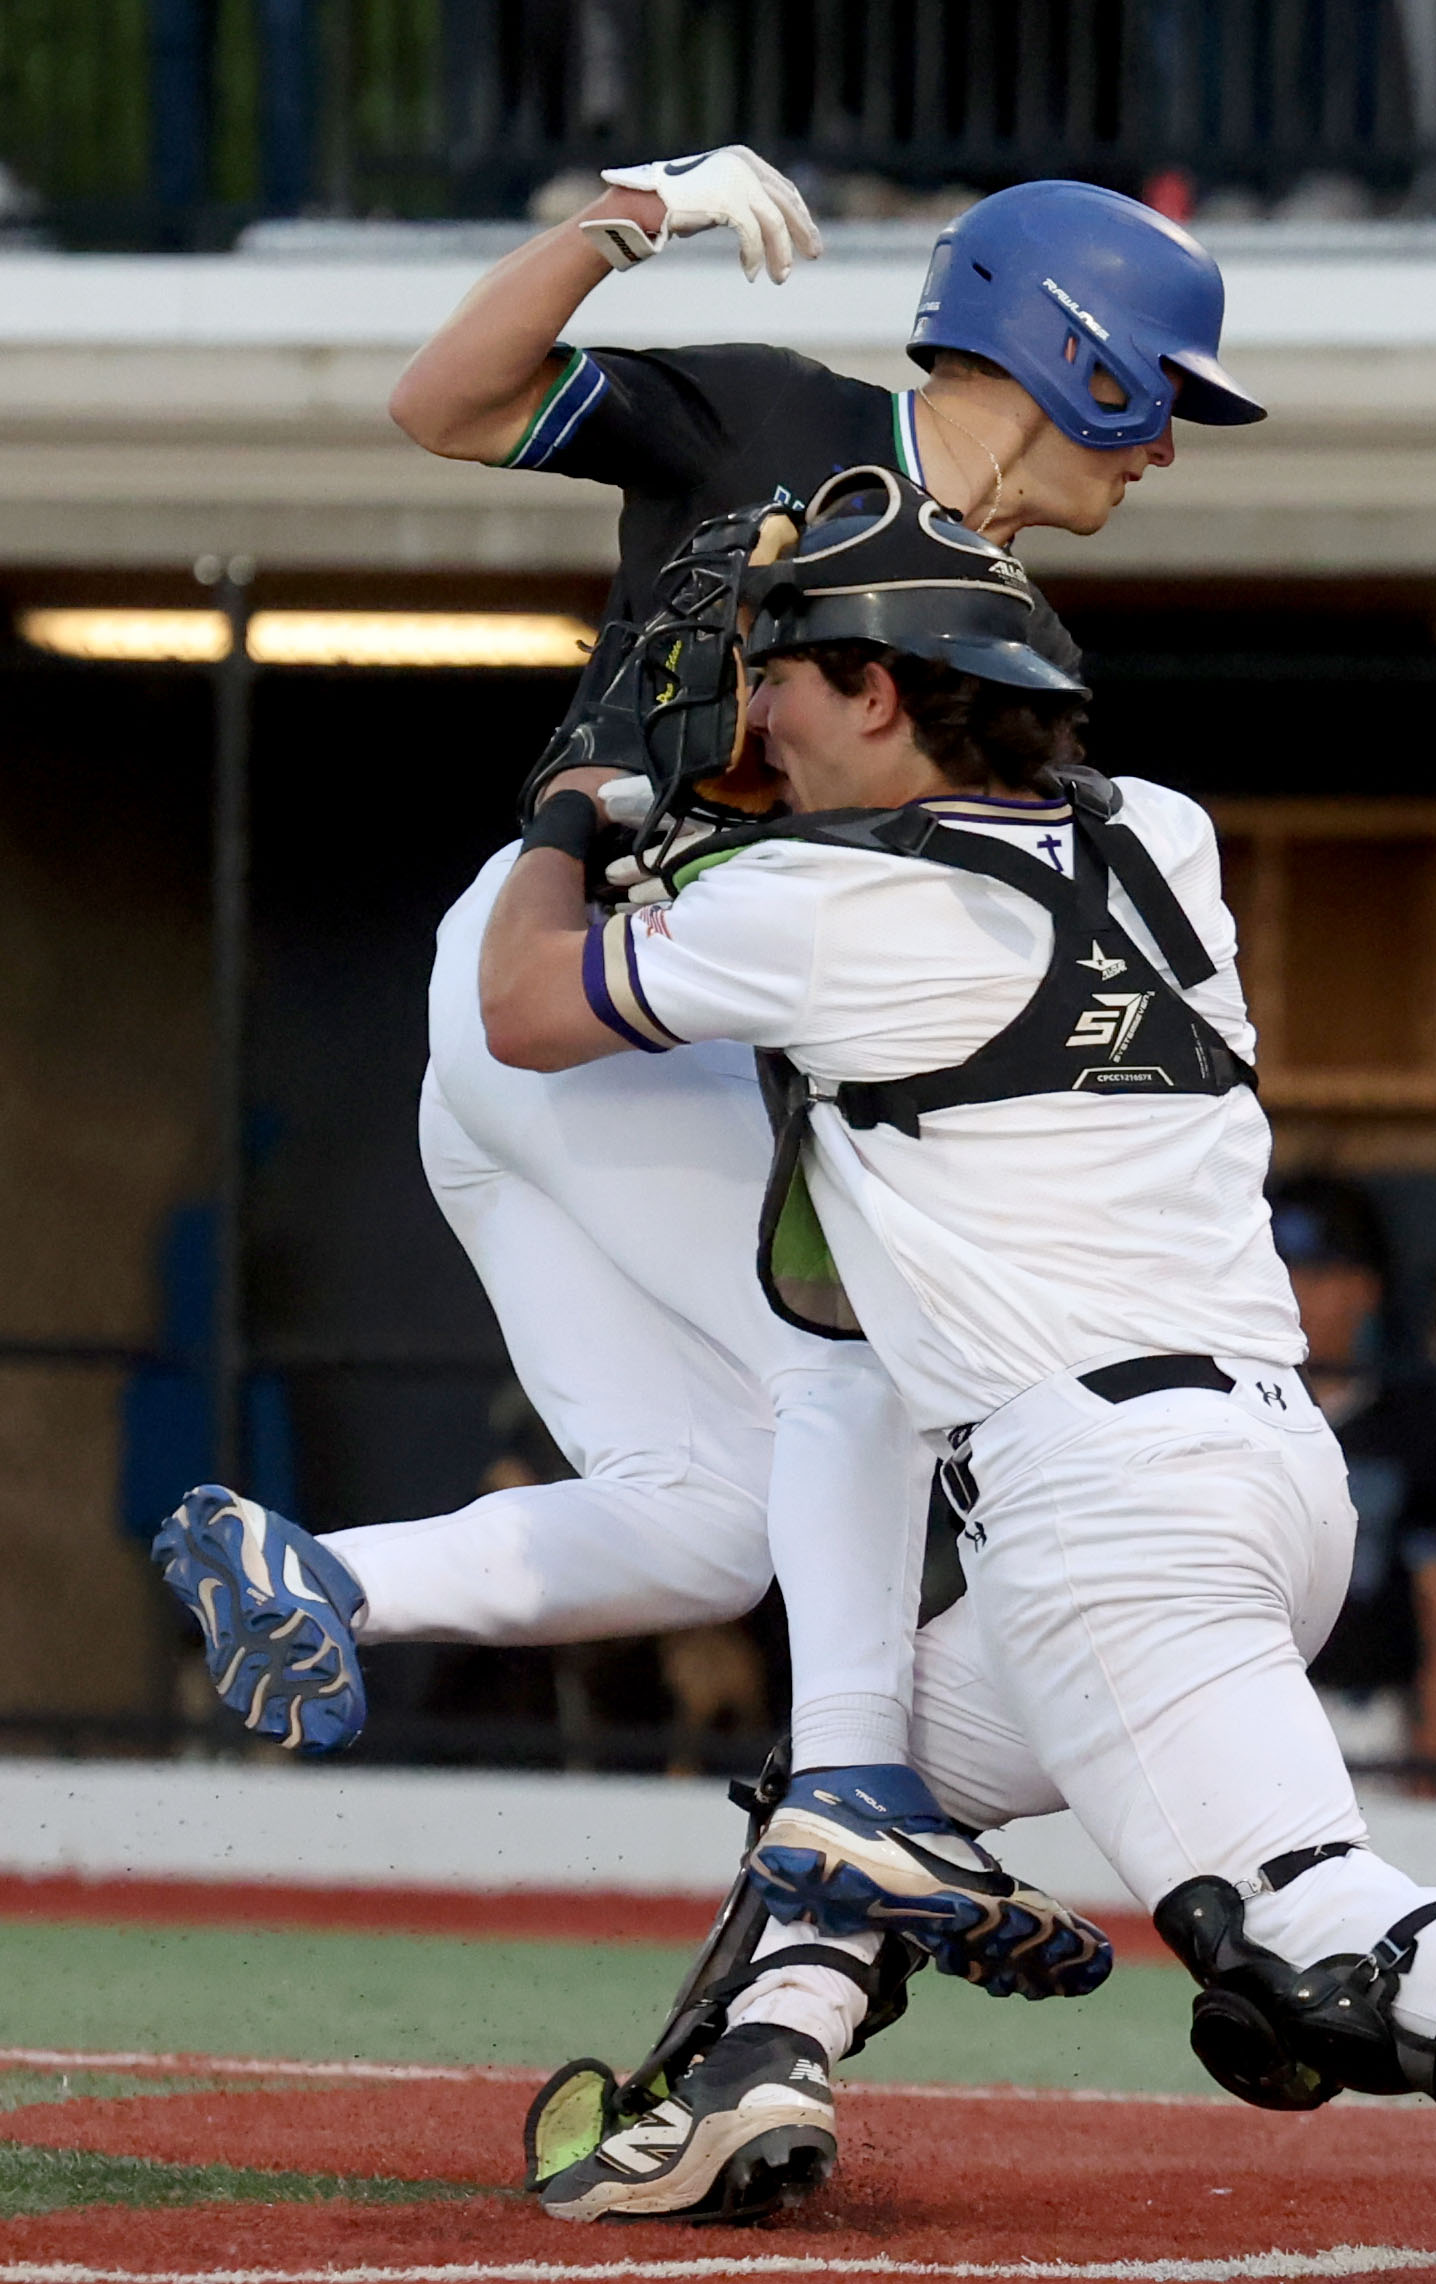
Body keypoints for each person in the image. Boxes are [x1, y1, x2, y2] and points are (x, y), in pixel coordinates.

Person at [478, 477, 1436, 2281]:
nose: (759, 711)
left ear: (888, 689)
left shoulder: (817, 904)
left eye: (791, 675)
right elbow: (917, 860)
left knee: (1302, 1937)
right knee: (860, 1777)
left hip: (1102, 1505)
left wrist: (578, 798)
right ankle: (738, 2077)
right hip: (1264, 1473)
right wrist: (736, 814)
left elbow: (522, 1005)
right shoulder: (1156, 837)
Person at [150, 159, 1266, 2222]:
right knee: (859, 1351)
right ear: (1072, 352)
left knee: (710, 1516)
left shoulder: (1000, 629)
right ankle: (851, 1794)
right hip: (571, 983)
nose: (1168, 441)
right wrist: (620, 213)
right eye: (1155, 394)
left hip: (599, 1030)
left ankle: (324, 1574)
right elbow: (443, 402)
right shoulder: (782, 417)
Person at [1270, 1175, 1436, 1786]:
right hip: (1235, 1717)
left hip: (1361, 1723)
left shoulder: (1417, 1438)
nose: (1291, 1293)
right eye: (1278, 1269)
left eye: (1316, 1273)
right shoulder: (1219, 1417)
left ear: (1364, 1289)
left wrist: (1429, 1763)